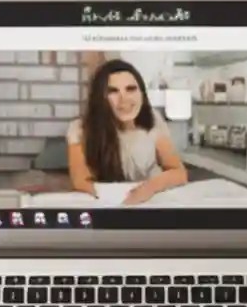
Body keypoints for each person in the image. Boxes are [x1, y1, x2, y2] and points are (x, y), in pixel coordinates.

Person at [67, 59, 188, 205]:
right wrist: (121, 199)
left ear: (142, 93)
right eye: (113, 91)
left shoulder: (153, 120)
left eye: (131, 89)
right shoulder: (79, 130)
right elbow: (81, 182)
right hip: (109, 203)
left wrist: (148, 188)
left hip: (151, 200)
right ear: (100, 98)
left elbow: (179, 172)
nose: (123, 99)